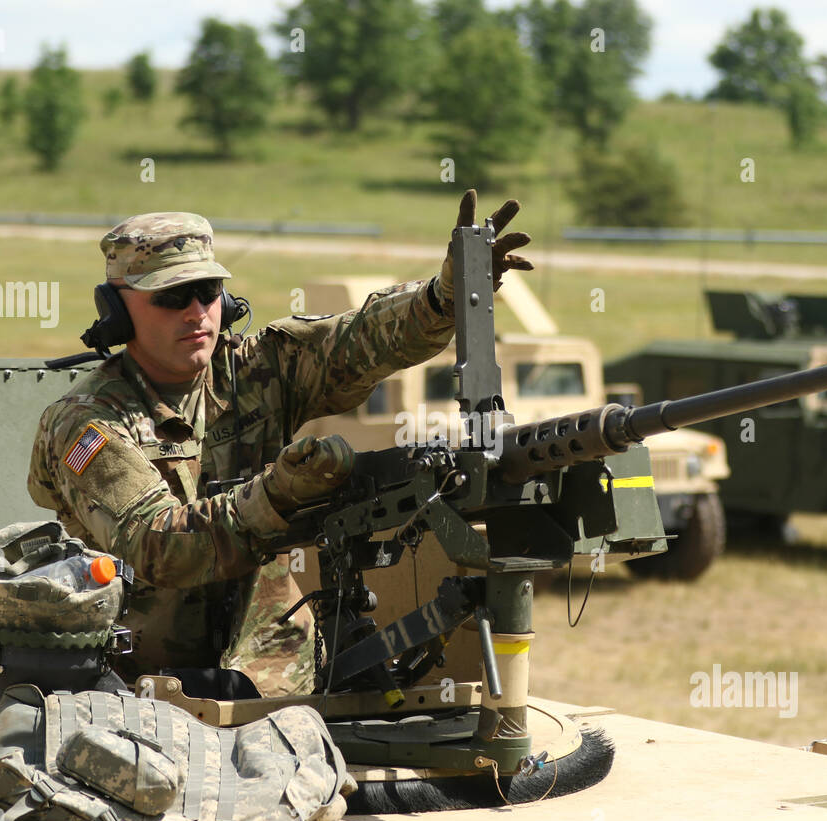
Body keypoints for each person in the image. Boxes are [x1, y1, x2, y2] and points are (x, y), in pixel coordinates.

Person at [28, 190, 532, 696]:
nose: (196, 311)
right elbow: (157, 547)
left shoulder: (255, 370)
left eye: (207, 291)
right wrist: (276, 495)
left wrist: (446, 297)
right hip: (138, 689)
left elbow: (361, 340)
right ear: (118, 311)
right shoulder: (86, 423)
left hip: (273, 675)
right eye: (171, 297)